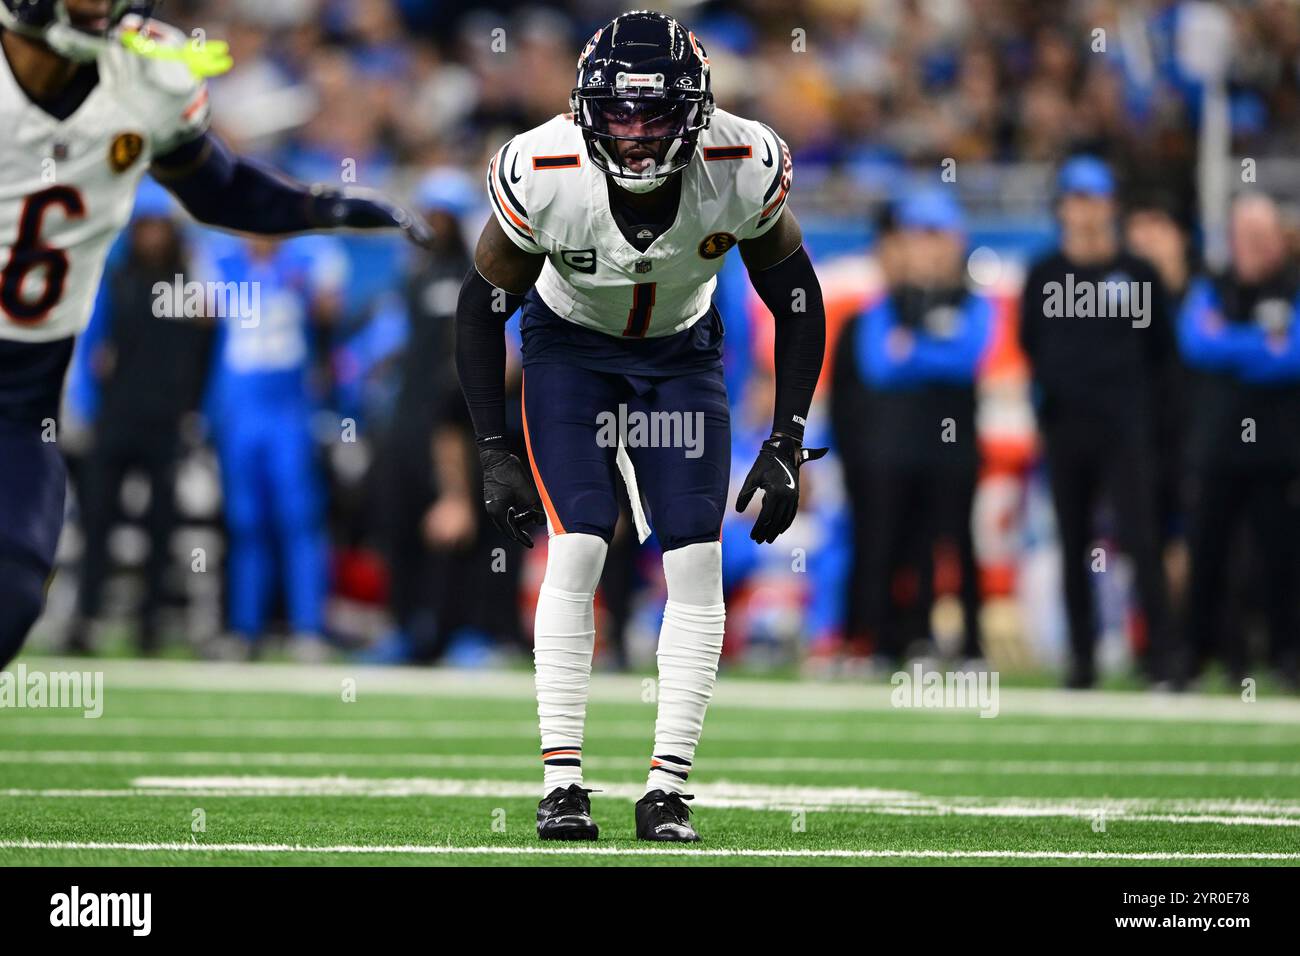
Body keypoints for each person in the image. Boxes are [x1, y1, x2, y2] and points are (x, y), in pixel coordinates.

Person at [453, 11, 825, 842]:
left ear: (694, 111)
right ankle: (562, 783)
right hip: (568, 352)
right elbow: (480, 310)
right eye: (618, 113)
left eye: (655, 114)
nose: (635, 134)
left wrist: (787, 441)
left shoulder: (741, 161)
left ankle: (667, 790)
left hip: (683, 356)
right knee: (579, 542)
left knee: (695, 554)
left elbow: (797, 300)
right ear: (587, 109)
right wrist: (491, 447)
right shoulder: (543, 168)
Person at [0, 0, 430, 669]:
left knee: (15, 582)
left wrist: (321, 206)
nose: (98, 6)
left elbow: (219, 189)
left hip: (19, 401)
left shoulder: (147, 79)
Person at [1019, 156, 1177, 689]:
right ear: (1062, 207)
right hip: (1067, 429)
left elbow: (1162, 353)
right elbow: (1031, 345)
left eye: (1093, 199)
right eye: (1075, 199)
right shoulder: (1043, 274)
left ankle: (1161, 658)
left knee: (1141, 539)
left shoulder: (1139, 274)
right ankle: (1081, 659)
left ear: (1110, 205)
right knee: (1073, 542)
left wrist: (1145, 419)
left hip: (1127, 429)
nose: (1083, 211)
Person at [66, 180, 213, 656]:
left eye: (158, 227)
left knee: (162, 527)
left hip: (167, 422)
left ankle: (151, 626)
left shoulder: (192, 287)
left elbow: (207, 356)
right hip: (116, 420)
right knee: (98, 523)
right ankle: (86, 620)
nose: (151, 236)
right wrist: (88, 410)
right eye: (144, 227)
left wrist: (198, 414)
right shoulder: (115, 280)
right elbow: (90, 345)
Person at [849, 189, 991, 667]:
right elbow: (877, 365)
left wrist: (915, 352)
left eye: (935, 236)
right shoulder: (885, 303)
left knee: (959, 543)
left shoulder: (971, 299)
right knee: (895, 543)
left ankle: (971, 644)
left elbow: (969, 358)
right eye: (917, 237)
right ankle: (897, 641)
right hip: (898, 447)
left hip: (955, 447)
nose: (925, 248)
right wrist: (933, 355)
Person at [1177, 194, 1300, 690]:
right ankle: (1199, 653)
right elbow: (1196, 342)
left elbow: (1292, 356)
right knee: (1207, 554)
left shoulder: (1291, 285)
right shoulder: (1211, 287)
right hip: (1216, 448)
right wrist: (1258, 346)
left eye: (1261, 235)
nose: (1251, 245)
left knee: (1281, 558)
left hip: (1279, 451)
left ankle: (1286, 653)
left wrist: (1230, 342)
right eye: (1243, 235)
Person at [207, 234, 348, 662]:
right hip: (239, 410)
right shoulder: (222, 260)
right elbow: (199, 312)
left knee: (299, 519)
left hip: (289, 410)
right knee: (245, 523)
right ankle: (245, 628)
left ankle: (308, 627)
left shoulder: (309, 258)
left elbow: (330, 308)